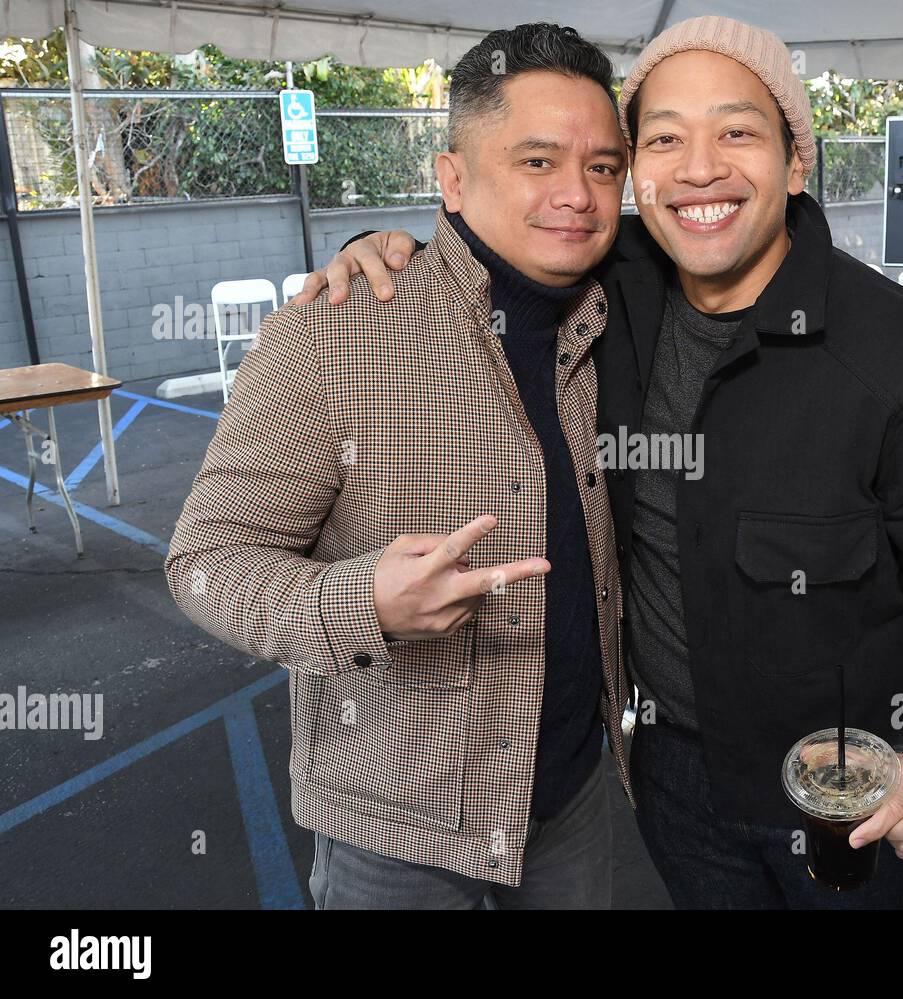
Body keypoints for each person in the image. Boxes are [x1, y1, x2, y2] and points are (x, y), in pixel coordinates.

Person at [301, 14, 903, 910]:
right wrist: (388, 251)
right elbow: (505, 218)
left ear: (796, 161)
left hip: (848, 797)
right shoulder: (612, 287)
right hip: (674, 785)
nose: (699, 169)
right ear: (638, 170)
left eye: (737, 132)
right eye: (663, 140)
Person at [165, 23, 632, 909]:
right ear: (451, 175)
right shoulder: (331, 331)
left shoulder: (620, 314)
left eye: (604, 167)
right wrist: (361, 603)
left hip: (570, 800)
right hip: (393, 832)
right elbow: (204, 562)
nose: (578, 194)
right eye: (537, 161)